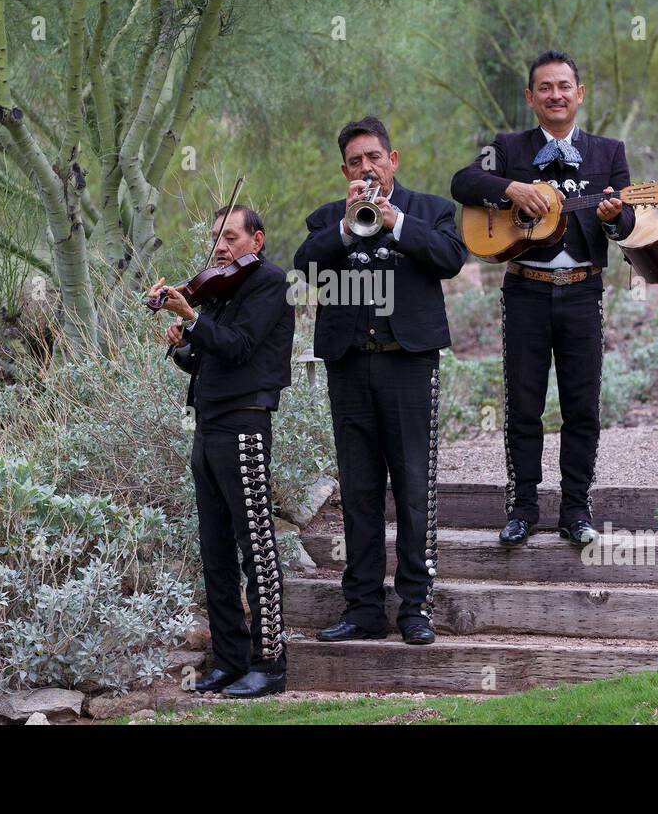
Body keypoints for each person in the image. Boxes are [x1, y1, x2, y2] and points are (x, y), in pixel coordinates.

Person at [451, 49, 635, 547]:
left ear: (580, 93)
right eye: (545, 88)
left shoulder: (608, 152)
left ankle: (576, 508)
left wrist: (613, 216)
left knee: (582, 407)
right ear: (531, 98)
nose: (556, 95)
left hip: (583, 292)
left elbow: (629, 222)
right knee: (523, 403)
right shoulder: (508, 146)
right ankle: (523, 508)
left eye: (564, 86)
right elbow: (462, 182)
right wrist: (511, 188)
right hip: (525, 290)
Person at [293, 115, 466, 645]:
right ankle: (363, 608)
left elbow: (450, 260)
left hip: (408, 364)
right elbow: (304, 269)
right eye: (354, 161)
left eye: (374, 158)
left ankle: (415, 607)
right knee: (361, 491)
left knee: (414, 488)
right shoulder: (328, 220)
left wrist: (396, 223)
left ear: (393, 160)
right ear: (343, 169)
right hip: (349, 365)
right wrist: (347, 227)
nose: (365, 168)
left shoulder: (432, 211)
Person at [149, 204, 294, 697]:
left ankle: (270, 665)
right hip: (208, 426)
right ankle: (229, 661)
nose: (221, 246)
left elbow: (240, 347)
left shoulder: (271, 282)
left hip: (246, 424)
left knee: (256, 547)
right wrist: (183, 342)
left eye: (231, 236)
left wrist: (193, 316)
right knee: (215, 551)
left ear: (257, 239)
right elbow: (208, 360)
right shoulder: (219, 288)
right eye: (216, 238)